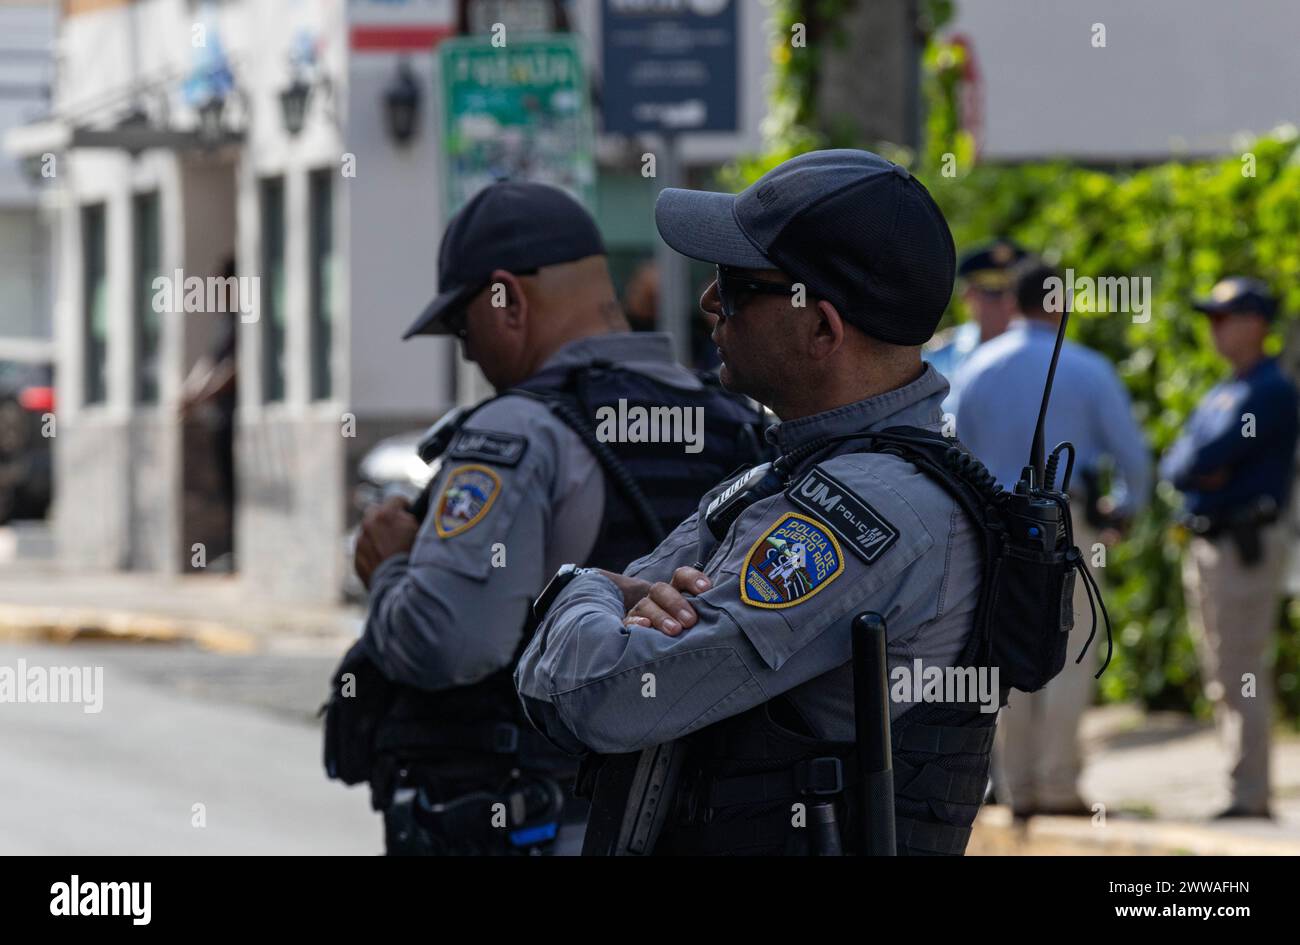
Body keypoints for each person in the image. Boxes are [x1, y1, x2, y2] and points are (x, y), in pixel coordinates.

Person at [516, 149, 997, 856]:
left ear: (823, 329)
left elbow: (602, 694)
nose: (711, 302)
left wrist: (580, 585)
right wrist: (612, 604)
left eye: (738, 285)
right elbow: (631, 618)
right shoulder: (802, 469)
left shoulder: (866, 510)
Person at [331, 180, 767, 855]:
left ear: (507, 300)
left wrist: (388, 568)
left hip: (530, 819)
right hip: (681, 820)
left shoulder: (516, 433)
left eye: (462, 324)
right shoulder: (728, 419)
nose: (467, 350)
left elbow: (449, 641)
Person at [953, 260, 1150, 817]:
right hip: (1070, 525)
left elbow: (953, 449)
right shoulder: (1088, 367)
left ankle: (1013, 786)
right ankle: (1057, 784)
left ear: (1013, 303)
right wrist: (1127, 510)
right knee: (1071, 649)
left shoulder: (975, 367)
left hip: (993, 528)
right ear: (1061, 305)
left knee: (1004, 647)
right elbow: (1132, 456)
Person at [1160, 276, 1299, 819]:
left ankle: (1250, 795)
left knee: (1240, 669)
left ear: (1256, 323)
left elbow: (1204, 456)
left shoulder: (1269, 390)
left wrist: (1205, 468)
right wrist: (1203, 469)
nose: (1214, 330)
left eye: (1224, 318)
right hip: (1212, 543)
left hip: (1245, 545)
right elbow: (1179, 465)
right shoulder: (1226, 389)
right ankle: (1241, 787)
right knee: (1222, 673)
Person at [923, 239, 1026, 407]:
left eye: (1014, 292)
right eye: (993, 291)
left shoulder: (1049, 356)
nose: (1007, 302)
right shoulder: (938, 355)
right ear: (967, 295)